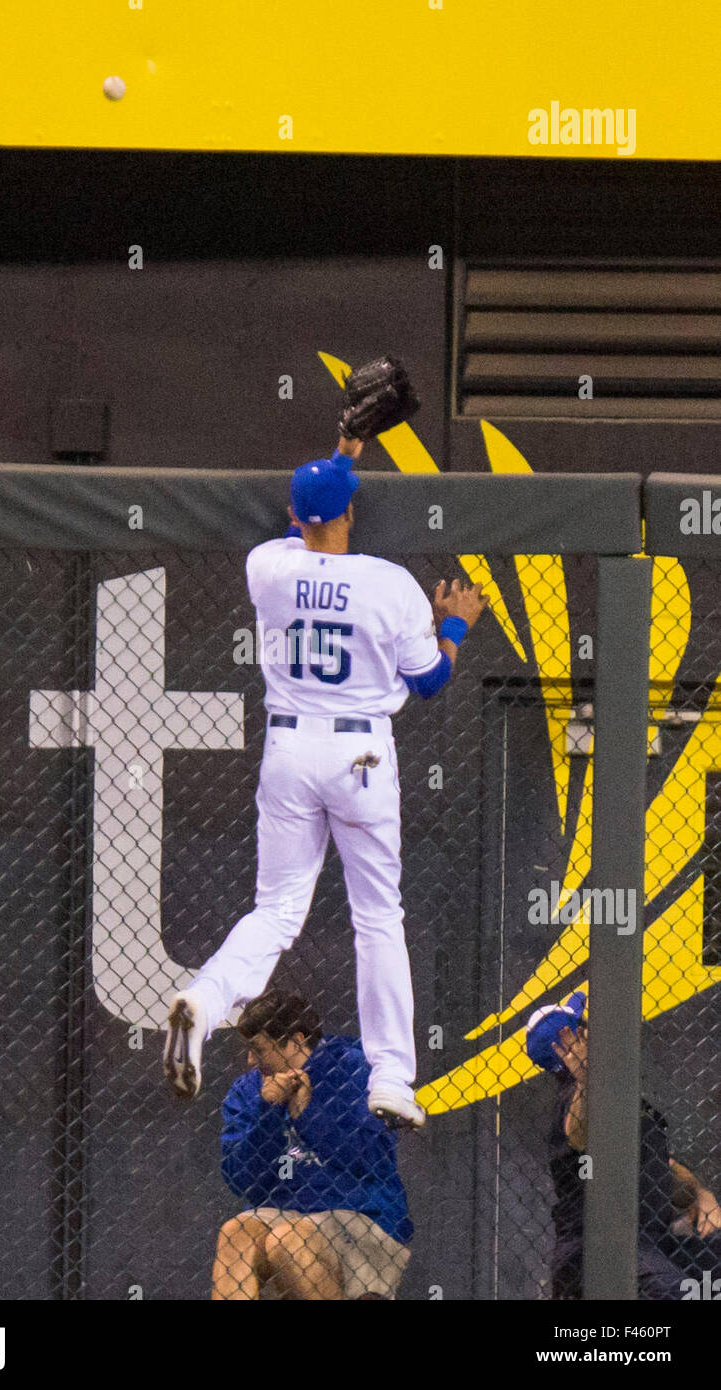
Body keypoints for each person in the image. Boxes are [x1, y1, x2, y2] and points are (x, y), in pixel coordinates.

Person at [164, 437, 488, 1127]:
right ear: (352, 513)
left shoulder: (267, 567)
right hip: (359, 755)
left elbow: (301, 526)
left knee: (276, 911)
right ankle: (392, 1079)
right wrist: (454, 623)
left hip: (287, 747)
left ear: (291, 512)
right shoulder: (390, 583)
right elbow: (430, 682)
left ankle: (205, 1000)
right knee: (376, 918)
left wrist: (340, 452)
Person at [212, 989, 412, 1300]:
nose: (251, 1061)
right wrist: (269, 1114)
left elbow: (374, 1161)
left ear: (296, 1040)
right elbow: (243, 1182)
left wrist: (308, 1117)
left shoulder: (355, 1068)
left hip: (360, 1214)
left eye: (258, 1050)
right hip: (285, 1213)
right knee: (236, 1234)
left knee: (289, 1241)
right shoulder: (249, 1090)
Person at [527, 992, 721, 1300]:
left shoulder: (618, 1094)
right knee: (682, 1294)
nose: (595, 1028)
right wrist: (586, 1080)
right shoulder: (573, 1100)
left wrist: (700, 1194)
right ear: (570, 1044)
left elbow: (662, 1166)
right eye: (585, 1026)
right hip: (600, 1250)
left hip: (652, 1241)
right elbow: (578, 1136)